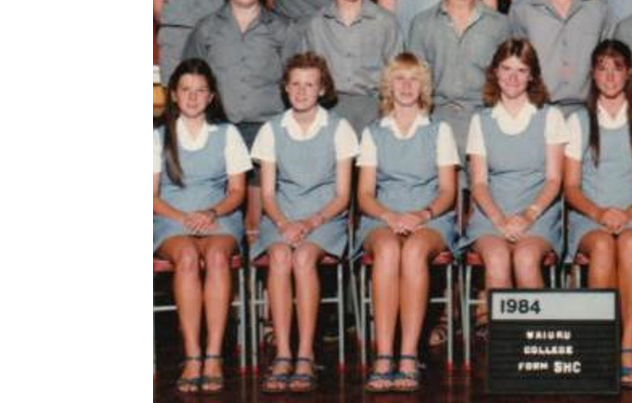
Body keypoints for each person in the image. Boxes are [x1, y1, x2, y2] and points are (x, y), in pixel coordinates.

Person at [563, 40, 632, 388]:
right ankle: (601, 342)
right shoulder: (579, 121)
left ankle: (628, 345)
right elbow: (571, 187)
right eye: (602, 68)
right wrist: (599, 213)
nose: (609, 76)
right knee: (605, 248)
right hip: (590, 215)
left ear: (629, 73)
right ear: (593, 74)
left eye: (617, 68)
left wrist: (630, 211)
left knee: (628, 245)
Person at [251, 52, 359, 394]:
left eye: (309, 84)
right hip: (282, 216)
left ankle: (305, 353)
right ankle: (282, 352)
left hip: (324, 217)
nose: (301, 91)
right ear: (285, 88)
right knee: (281, 257)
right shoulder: (271, 130)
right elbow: (267, 193)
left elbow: (343, 195)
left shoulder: (339, 128)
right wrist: (284, 224)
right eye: (295, 84)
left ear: (322, 88)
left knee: (302, 257)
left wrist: (310, 223)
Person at [356, 53, 459, 392]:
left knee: (414, 251)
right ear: (389, 85)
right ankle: (384, 355)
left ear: (423, 87)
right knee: (386, 249)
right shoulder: (374, 132)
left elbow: (447, 191)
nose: (405, 86)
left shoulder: (439, 131)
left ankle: (408, 355)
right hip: (383, 217)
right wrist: (389, 216)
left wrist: (421, 215)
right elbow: (365, 194)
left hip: (429, 218)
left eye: (413, 79)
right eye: (399, 79)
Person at [183, 0, 295, 249]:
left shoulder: (282, 29)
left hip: (266, 131)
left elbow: (298, 85)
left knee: (257, 224)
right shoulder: (207, 29)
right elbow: (187, 82)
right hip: (221, 131)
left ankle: (258, 280)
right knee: (221, 221)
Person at [153, 59, 251, 394]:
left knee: (219, 258)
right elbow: (149, 196)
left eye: (200, 91)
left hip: (218, 216)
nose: (193, 97)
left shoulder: (227, 134)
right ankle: (192, 355)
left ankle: (214, 355)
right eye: (185, 90)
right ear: (175, 96)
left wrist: (210, 213)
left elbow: (237, 191)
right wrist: (182, 219)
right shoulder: (158, 137)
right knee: (187, 259)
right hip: (171, 219)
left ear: (211, 97)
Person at [461, 39, 568, 334]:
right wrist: (499, 220)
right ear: (495, 72)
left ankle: (536, 341)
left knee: (524, 258)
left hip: (537, 213)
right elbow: (479, 183)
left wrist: (528, 216)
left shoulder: (550, 116)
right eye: (506, 69)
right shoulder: (481, 120)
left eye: (521, 70)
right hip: (491, 214)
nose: (512, 77)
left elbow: (554, 180)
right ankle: (506, 348)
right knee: (495, 258)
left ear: (532, 75)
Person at [408, 0, 514, 157]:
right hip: (436, 120)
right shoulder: (422, 24)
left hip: (484, 120)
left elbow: (509, 81)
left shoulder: (499, 24)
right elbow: (414, 83)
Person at [295, 0, 403, 133]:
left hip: (374, 111)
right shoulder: (315, 24)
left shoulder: (386, 22)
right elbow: (304, 78)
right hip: (327, 111)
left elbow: (399, 78)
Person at [509, 0, 613, 115]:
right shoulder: (522, 10)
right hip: (539, 111)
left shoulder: (599, 8)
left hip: (589, 112)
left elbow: (610, 62)